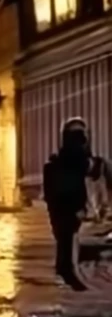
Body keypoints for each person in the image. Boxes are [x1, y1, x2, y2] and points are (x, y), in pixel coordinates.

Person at [43, 117, 112, 290]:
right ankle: (69, 273)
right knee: (68, 243)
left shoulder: (61, 164)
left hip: (76, 218)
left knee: (67, 243)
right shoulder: (64, 165)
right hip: (73, 217)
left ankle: (68, 272)